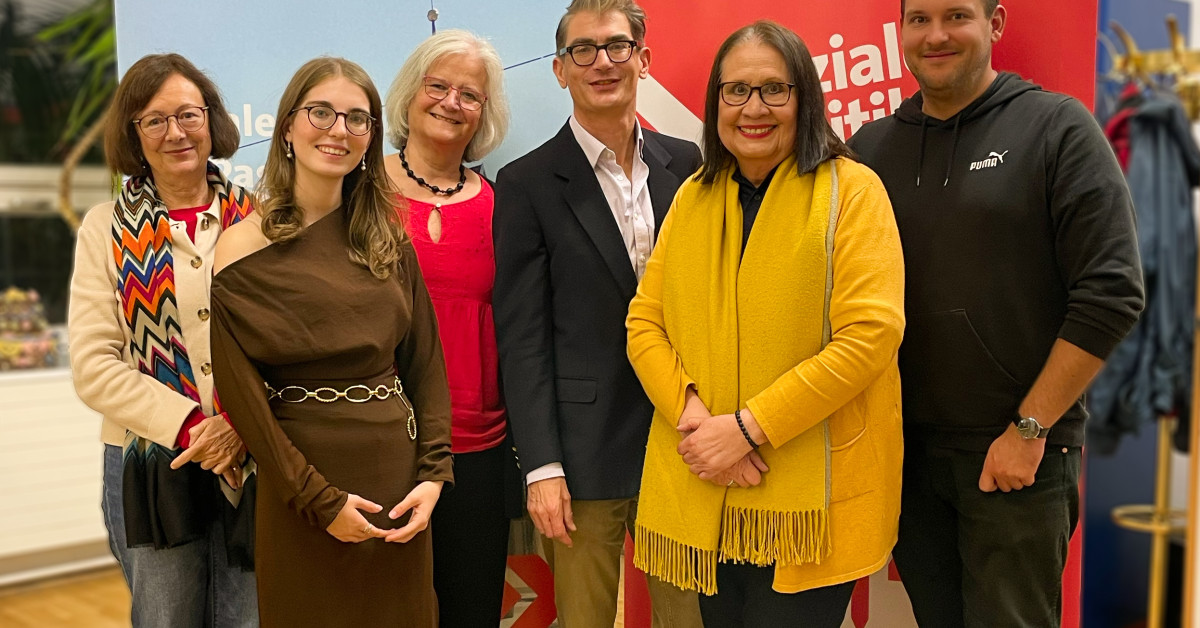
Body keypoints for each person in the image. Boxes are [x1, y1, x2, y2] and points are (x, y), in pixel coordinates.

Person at [847, 0, 1144, 625]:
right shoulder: (870, 149)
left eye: (956, 15)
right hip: (906, 461)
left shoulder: (1057, 128)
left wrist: (1030, 430)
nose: (935, 36)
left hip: (1018, 459)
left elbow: (1112, 291)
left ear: (996, 24)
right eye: (919, 19)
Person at [626, 20, 905, 626]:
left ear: (804, 99)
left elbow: (870, 337)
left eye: (774, 89)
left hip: (810, 506)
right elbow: (644, 324)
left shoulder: (853, 191)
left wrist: (750, 430)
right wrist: (701, 426)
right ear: (715, 103)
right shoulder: (693, 199)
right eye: (736, 91)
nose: (754, 108)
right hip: (707, 482)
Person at [210, 57, 453, 627]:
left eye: (357, 119)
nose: (338, 130)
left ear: (370, 139)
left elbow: (426, 367)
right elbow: (243, 399)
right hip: (301, 484)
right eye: (321, 112)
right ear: (289, 126)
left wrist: (434, 474)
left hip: (398, 480)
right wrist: (320, 502)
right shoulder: (241, 248)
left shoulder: (388, 239)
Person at [492, 0, 703, 625]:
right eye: (582, 50)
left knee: (687, 619)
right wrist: (542, 465)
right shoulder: (527, 183)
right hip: (580, 459)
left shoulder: (689, 166)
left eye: (616, 46)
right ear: (560, 70)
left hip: (683, 442)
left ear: (643, 59)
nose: (601, 62)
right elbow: (522, 336)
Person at [68, 53, 257, 627]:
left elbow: (283, 349)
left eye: (188, 115)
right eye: (154, 120)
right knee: (166, 619)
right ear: (134, 134)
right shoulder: (103, 229)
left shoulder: (259, 223)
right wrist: (195, 428)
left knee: (249, 618)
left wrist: (239, 427)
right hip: (149, 464)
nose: (176, 132)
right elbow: (94, 366)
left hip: (249, 457)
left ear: (213, 121)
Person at [382, 29, 513, 627]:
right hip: (381, 443)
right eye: (438, 86)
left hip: (477, 451)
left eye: (470, 94)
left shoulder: (501, 204)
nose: (451, 102)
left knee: (472, 612)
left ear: (484, 114)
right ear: (410, 94)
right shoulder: (357, 192)